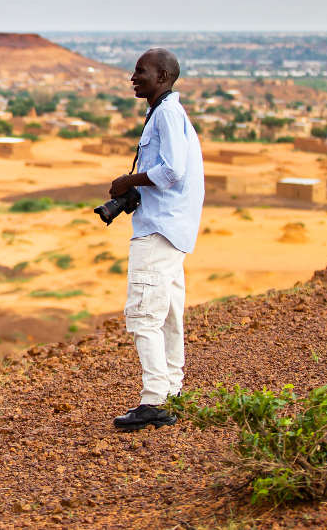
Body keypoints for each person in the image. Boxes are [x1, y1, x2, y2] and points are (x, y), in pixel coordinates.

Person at [107, 48, 204, 432]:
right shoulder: (166, 113)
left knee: (144, 313)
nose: (134, 77)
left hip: (159, 230)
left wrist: (128, 181)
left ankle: (154, 401)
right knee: (167, 313)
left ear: (162, 76)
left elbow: (173, 171)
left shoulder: (165, 113)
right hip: (171, 229)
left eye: (140, 71)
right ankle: (173, 391)